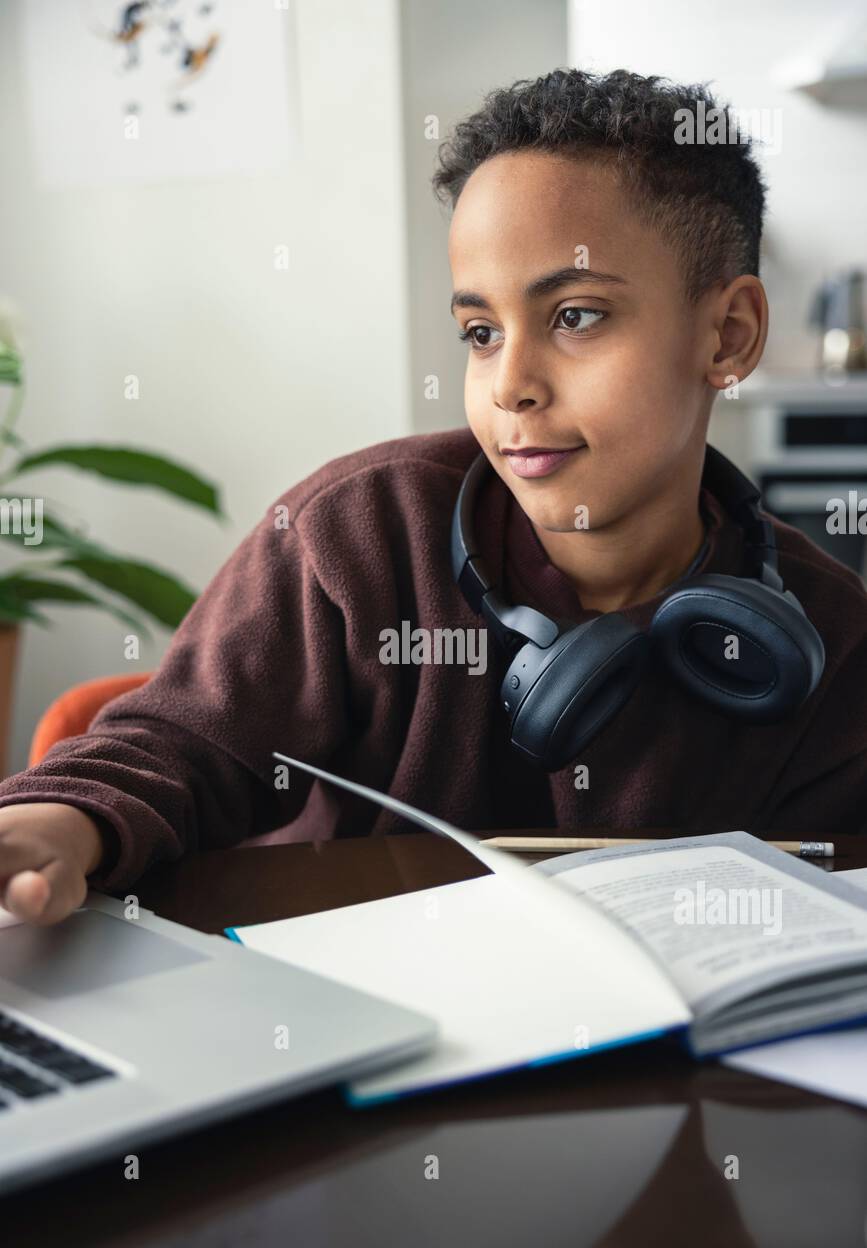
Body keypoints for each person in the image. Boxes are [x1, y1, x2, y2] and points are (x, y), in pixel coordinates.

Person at [1, 68, 865, 928]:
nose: (510, 386)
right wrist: (59, 822)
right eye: (480, 334)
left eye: (575, 317)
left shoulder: (831, 635)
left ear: (729, 335)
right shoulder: (358, 533)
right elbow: (180, 746)